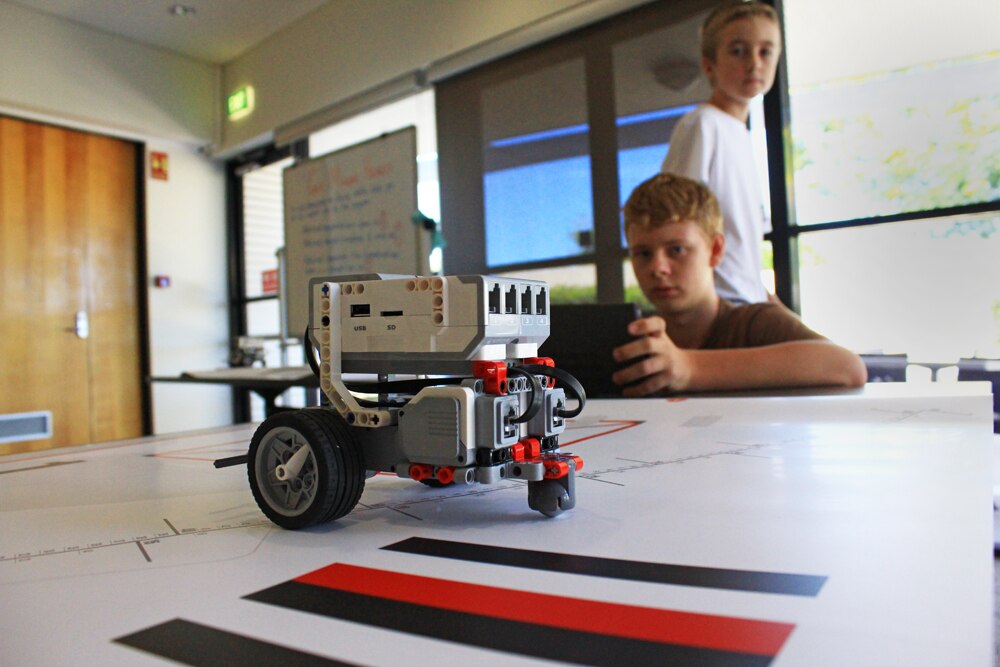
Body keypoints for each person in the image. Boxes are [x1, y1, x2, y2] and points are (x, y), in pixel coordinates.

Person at [613, 173, 866, 396]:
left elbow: (847, 367)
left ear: (715, 250)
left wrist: (688, 367)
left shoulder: (755, 324)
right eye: (643, 253)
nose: (658, 268)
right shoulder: (630, 340)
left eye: (677, 249)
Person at [661, 1, 781, 304]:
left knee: (833, 351)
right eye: (738, 51)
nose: (754, 63)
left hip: (751, 302)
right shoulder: (702, 125)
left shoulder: (742, 135)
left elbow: (744, 263)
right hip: (721, 306)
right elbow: (673, 227)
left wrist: (777, 311)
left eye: (765, 51)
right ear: (708, 64)